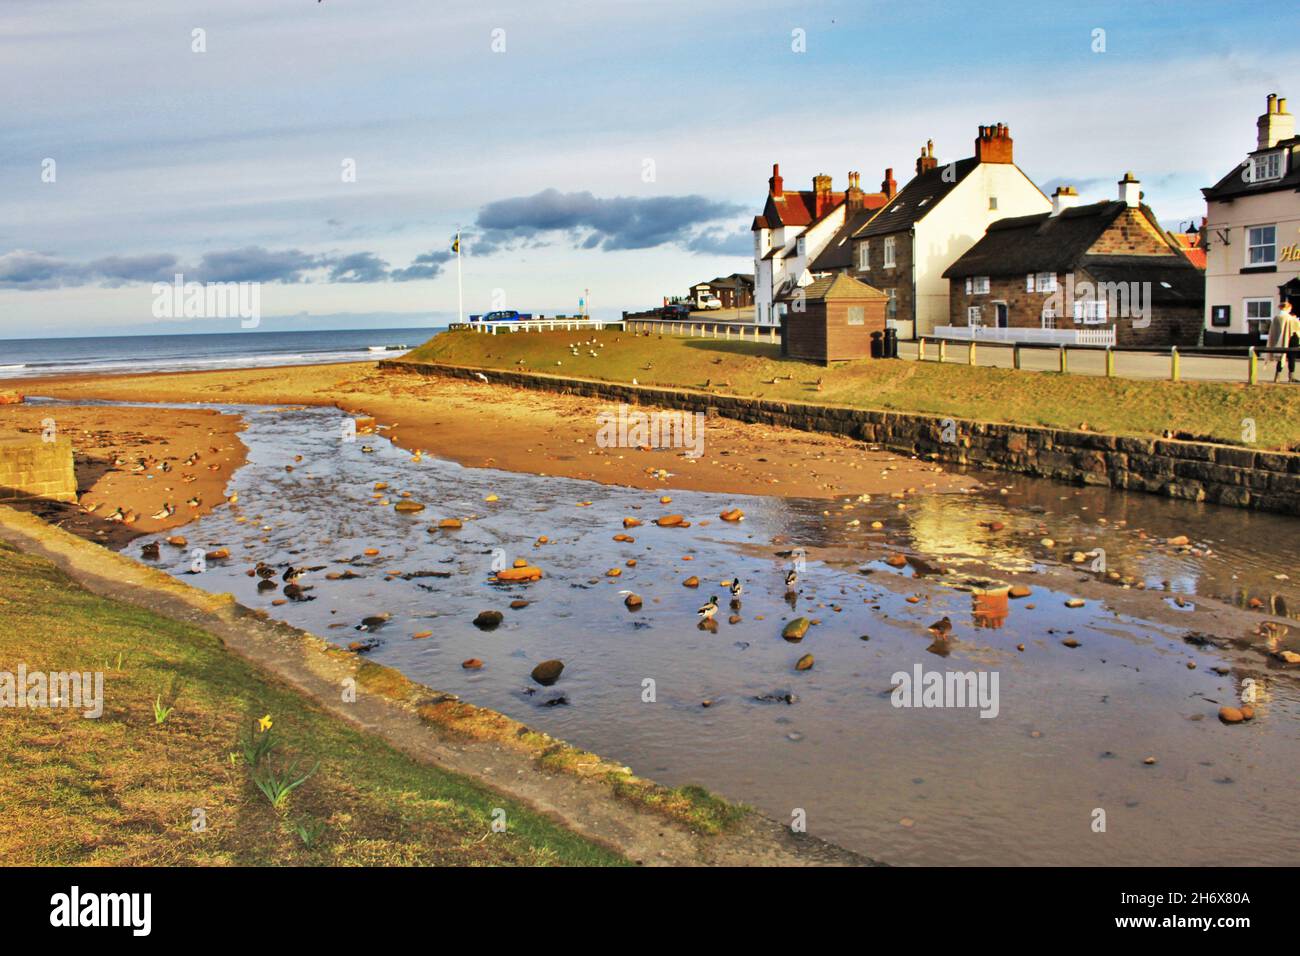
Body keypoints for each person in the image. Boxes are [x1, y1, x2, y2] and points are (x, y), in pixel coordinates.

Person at [1267, 300, 1300, 382]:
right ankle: (1291, 376)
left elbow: (1273, 331)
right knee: (1291, 358)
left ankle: (1277, 376)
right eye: (1290, 309)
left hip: (1280, 340)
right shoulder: (1290, 318)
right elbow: (1297, 327)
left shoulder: (1276, 318)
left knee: (1281, 357)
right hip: (1291, 339)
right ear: (1288, 308)